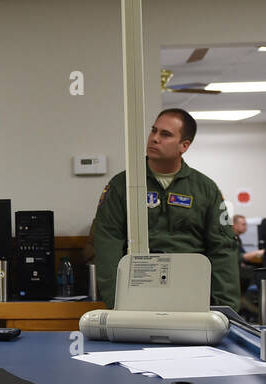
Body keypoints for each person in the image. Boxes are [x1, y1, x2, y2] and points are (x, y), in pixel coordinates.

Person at [92, 108, 239, 308]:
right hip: (138, 290)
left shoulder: (205, 189)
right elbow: (107, 244)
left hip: (192, 291)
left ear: (184, 146)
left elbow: (223, 250)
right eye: (154, 131)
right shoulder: (123, 185)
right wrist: (117, 304)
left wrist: (226, 309)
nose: (154, 139)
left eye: (165, 134)